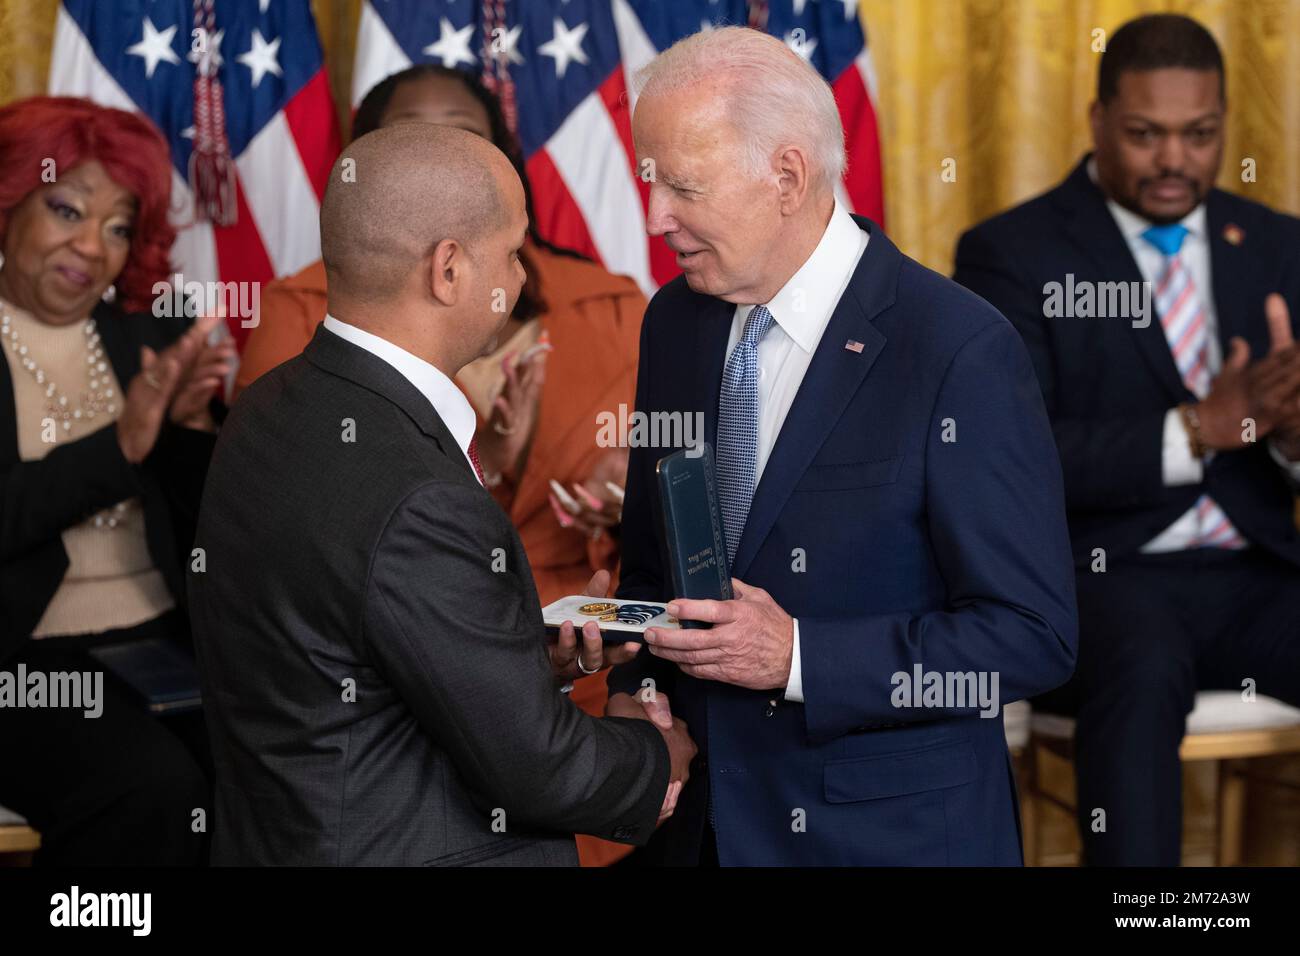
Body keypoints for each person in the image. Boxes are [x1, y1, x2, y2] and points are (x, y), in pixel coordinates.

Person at [605, 26, 1077, 866]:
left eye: (682, 185)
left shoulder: (957, 349)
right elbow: (651, 571)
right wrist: (636, 691)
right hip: (700, 830)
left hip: (881, 837)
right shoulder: (673, 323)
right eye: (651, 180)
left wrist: (800, 658)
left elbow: (1031, 637)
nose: (655, 217)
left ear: (787, 176)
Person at [189, 123, 695, 866]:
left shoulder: (266, 407)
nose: (526, 277)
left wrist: (519, 658)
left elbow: (348, 654)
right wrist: (658, 754)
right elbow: (539, 769)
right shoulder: (422, 495)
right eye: (515, 251)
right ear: (450, 270)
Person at [954, 13, 1300, 866]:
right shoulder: (1010, 254)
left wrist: (1290, 437)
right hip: (1102, 578)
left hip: (1257, 572)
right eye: (1146, 135)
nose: (1175, 160)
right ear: (1099, 119)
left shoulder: (1277, 246)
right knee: (1142, 668)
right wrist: (1199, 429)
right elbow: (1009, 464)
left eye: (1200, 135)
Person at [0, 96, 233, 865]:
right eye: (66, 210)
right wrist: (124, 445)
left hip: (164, 641)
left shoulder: (147, 335)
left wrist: (195, 434)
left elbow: (219, 535)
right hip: (23, 658)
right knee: (150, 792)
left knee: (275, 771)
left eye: (118, 226)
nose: (91, 246)